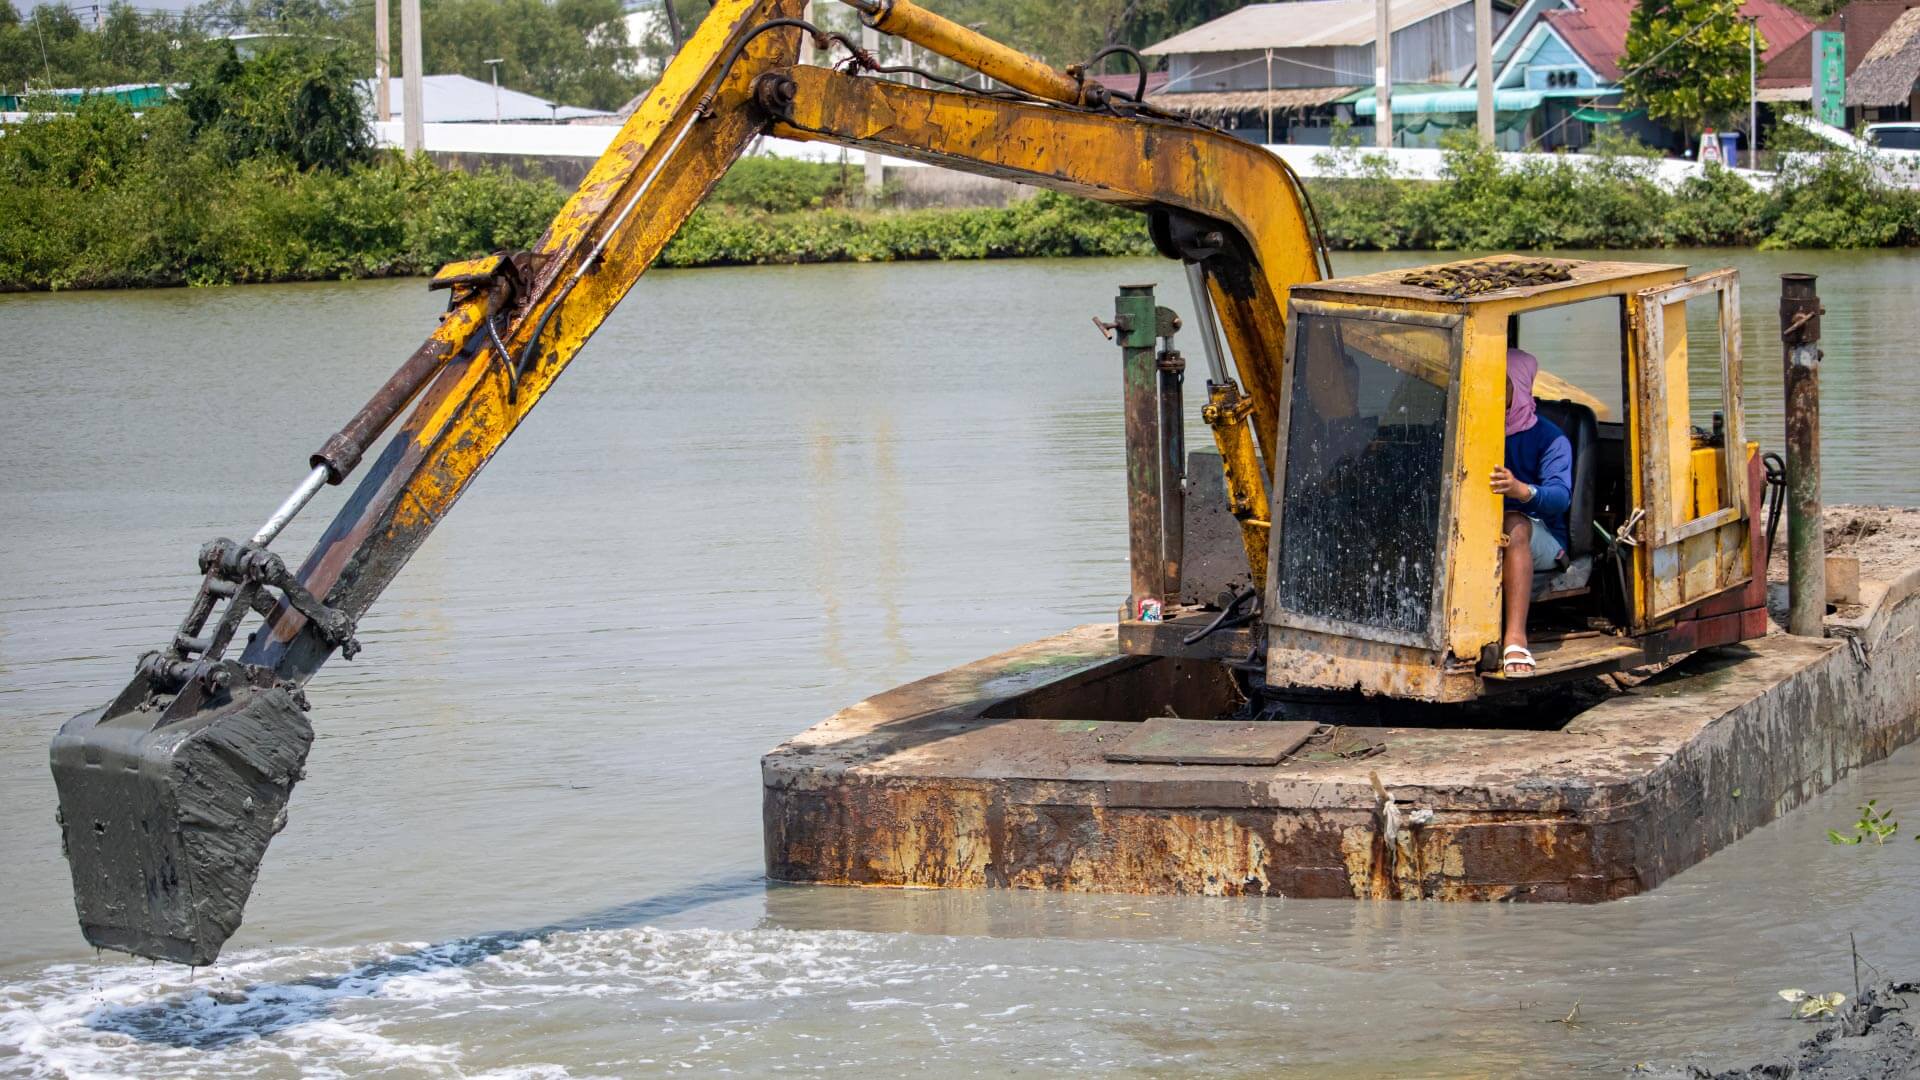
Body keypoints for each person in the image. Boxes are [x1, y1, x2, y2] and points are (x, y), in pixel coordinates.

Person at [1489, 348, 1572, 676]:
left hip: (1544, 536)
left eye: (1503, 384)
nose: (1494, 391)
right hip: (1483, 525)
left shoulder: (1551, 439)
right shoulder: (1476, 427)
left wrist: (1521, 491)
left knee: (1514, 524)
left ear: (1521, 386)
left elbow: (1560, 498)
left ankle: (1515, 638)